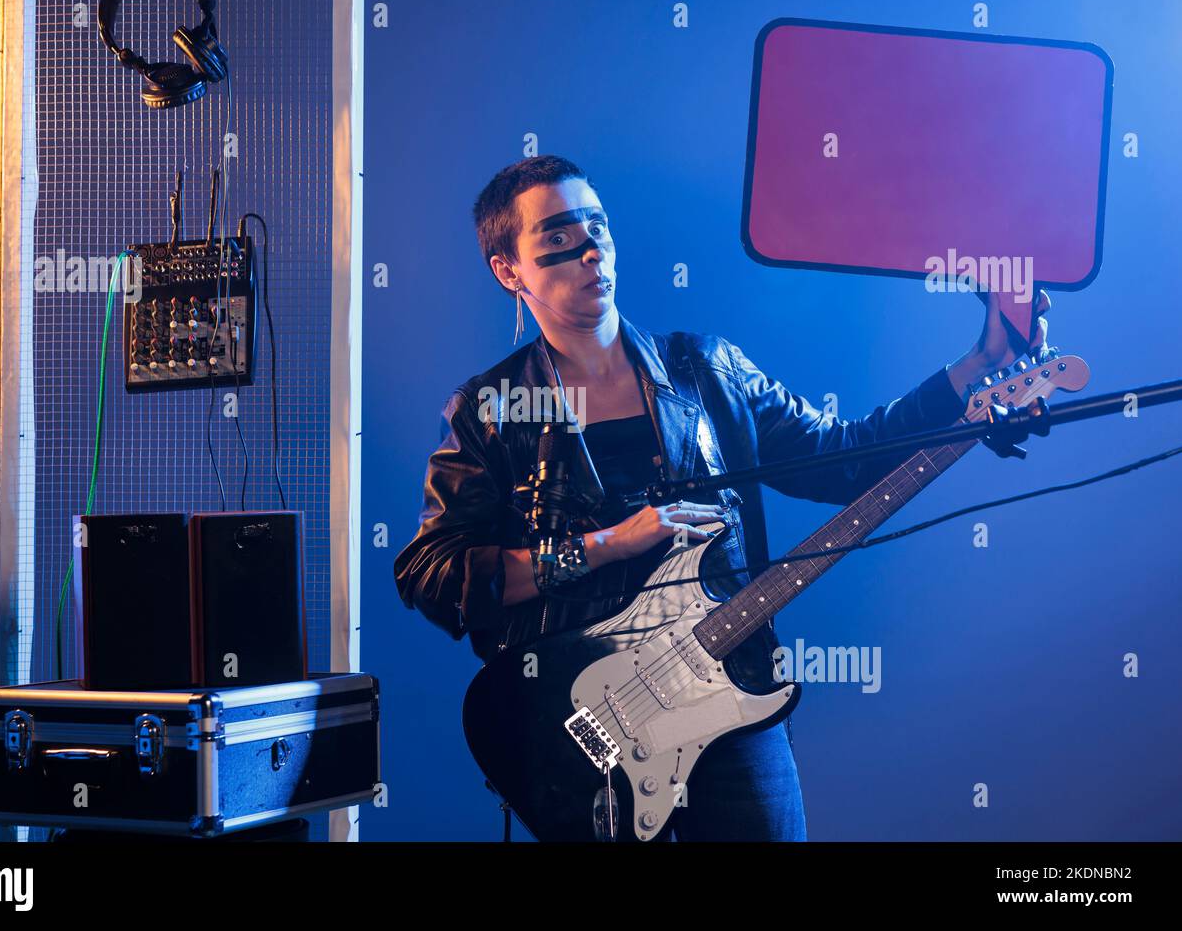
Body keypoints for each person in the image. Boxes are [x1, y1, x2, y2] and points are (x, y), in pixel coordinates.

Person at [393, 155, 1050, 841]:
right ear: (508, 270)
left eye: (597, 227)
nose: (590, 250)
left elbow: (844, 459)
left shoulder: (707, 372)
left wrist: (975, 368)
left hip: (730, 688)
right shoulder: (491, 409)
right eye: (558, 238)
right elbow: (433, 574)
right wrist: (608, 544)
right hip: (583, 722)